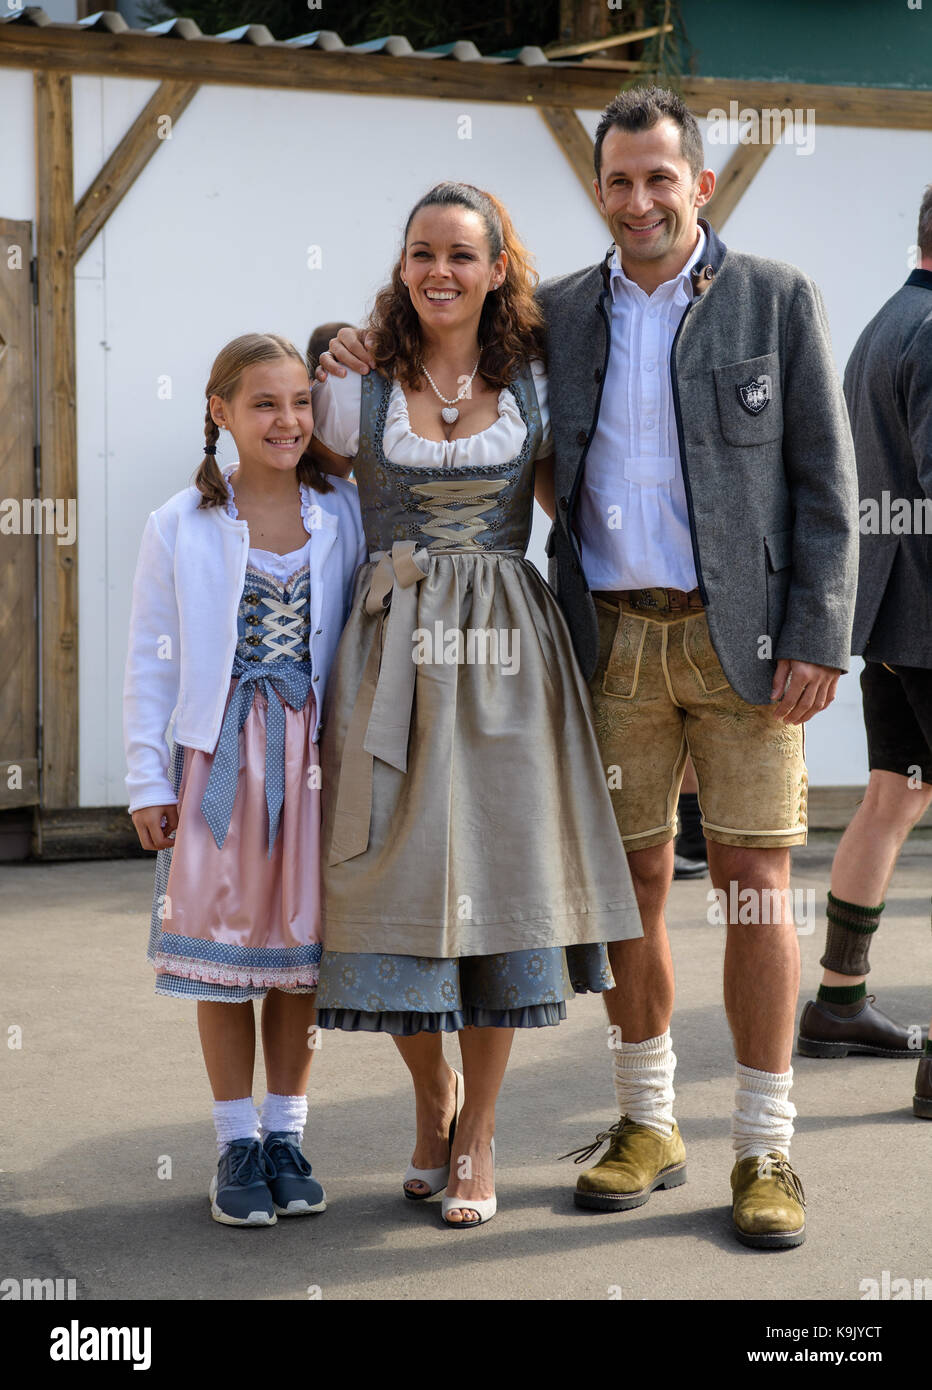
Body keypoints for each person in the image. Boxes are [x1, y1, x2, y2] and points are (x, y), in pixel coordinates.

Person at [319, 87, 859, 1249]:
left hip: (748, 644)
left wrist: (819, 630)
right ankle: (645, 1121)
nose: (637, 199)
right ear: (598, 190)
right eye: (616, 180)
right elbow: (448, 359)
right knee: (633, 892)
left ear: (698, 186)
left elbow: (827, 482)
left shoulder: (775, 298)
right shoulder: (557, 314)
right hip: (602, 642)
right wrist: (348, 343)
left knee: (756, 887)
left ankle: (764, 1147)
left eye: (659, 178)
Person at [309, 182, 642, 1229]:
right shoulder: (349, 388)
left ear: (498, 268)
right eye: (421, 253)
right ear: (400, 264)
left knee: (494, 884)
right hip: (389, 645)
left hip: (506, 650)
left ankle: (481, 1130)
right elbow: (286, 483)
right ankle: (432, 1099)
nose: (437, 271)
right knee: (393, 882)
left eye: (460, 254)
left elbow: (577, 506)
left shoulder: (534, 381)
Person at [124, 333, 366, 1226]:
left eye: (301, 402)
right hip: (220, 755)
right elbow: (151, 660)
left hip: (313, 764)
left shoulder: (340, 510)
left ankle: (286, 1132)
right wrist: (148, 781)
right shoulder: (179, 524)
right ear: (220, 412)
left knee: (299, 960)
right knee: (225, 962)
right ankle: (234, 1142)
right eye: (265, 404)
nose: (288, 420)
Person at [796, 186, 932, 1115]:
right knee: (898, 798)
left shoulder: (889, 319)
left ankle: (839, 1001)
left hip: (889, 613)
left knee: (894, 795)